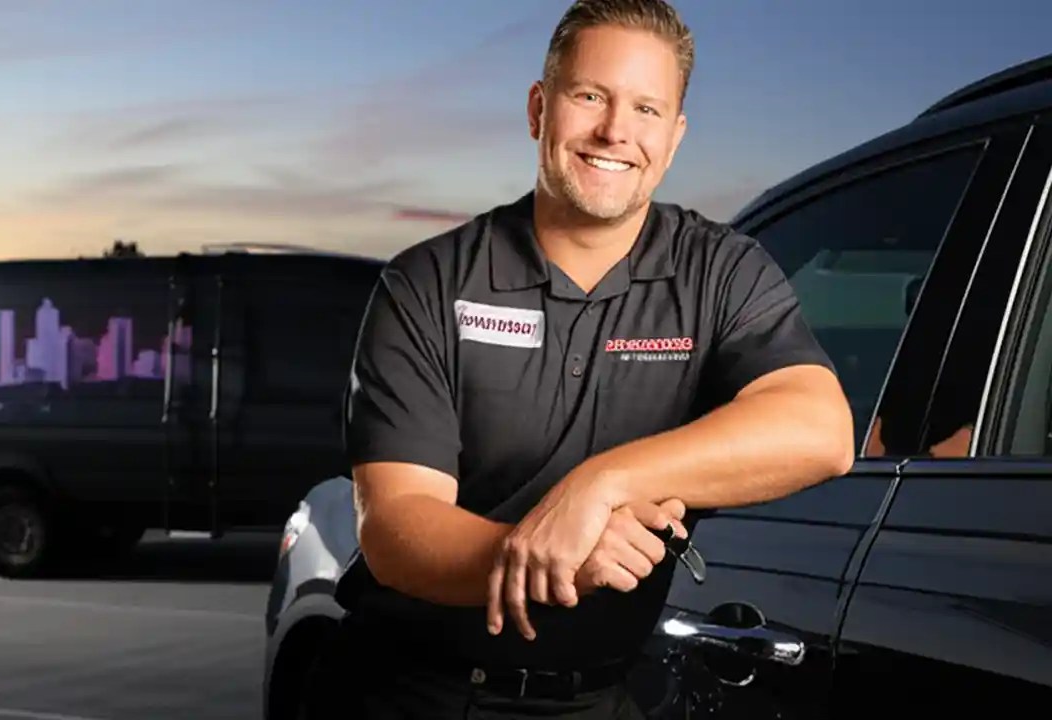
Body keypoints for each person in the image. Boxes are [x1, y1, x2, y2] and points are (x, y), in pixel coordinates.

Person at [303, 0, 855, 717]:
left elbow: (822, 433)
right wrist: (554, 557)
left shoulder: (721, 273)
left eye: (647, 109)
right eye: (590, 95)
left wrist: (601, 485)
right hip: (411, 690)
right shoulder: (430, 283)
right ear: (540, 108)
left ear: (676, 135)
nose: (615, 131)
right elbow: (397, 528)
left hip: (600, 698)